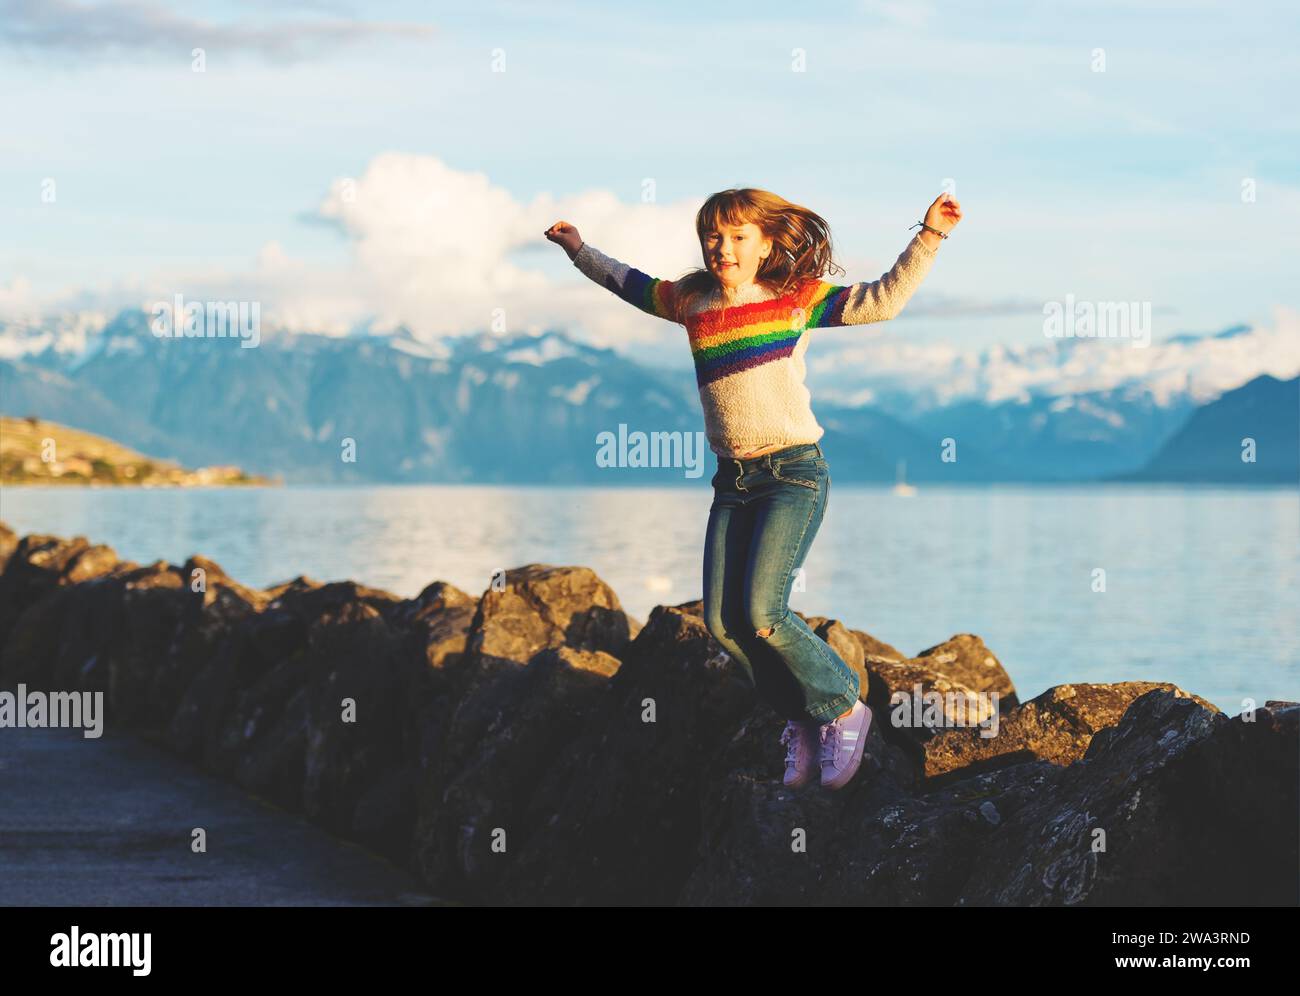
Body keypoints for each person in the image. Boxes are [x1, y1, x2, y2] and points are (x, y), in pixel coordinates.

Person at [544, 187, 962, 790]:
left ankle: (844, 706)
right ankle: (802, 718)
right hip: (732, 483)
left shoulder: (794, 299)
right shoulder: (692, 301)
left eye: (738, 236)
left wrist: (929, 236)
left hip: (792, 474)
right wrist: (579, 249)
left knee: (763, 614)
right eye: (713, 237)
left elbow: (882, 302)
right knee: (721, 621)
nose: (723, 247)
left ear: (767, 244)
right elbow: (629, 284)